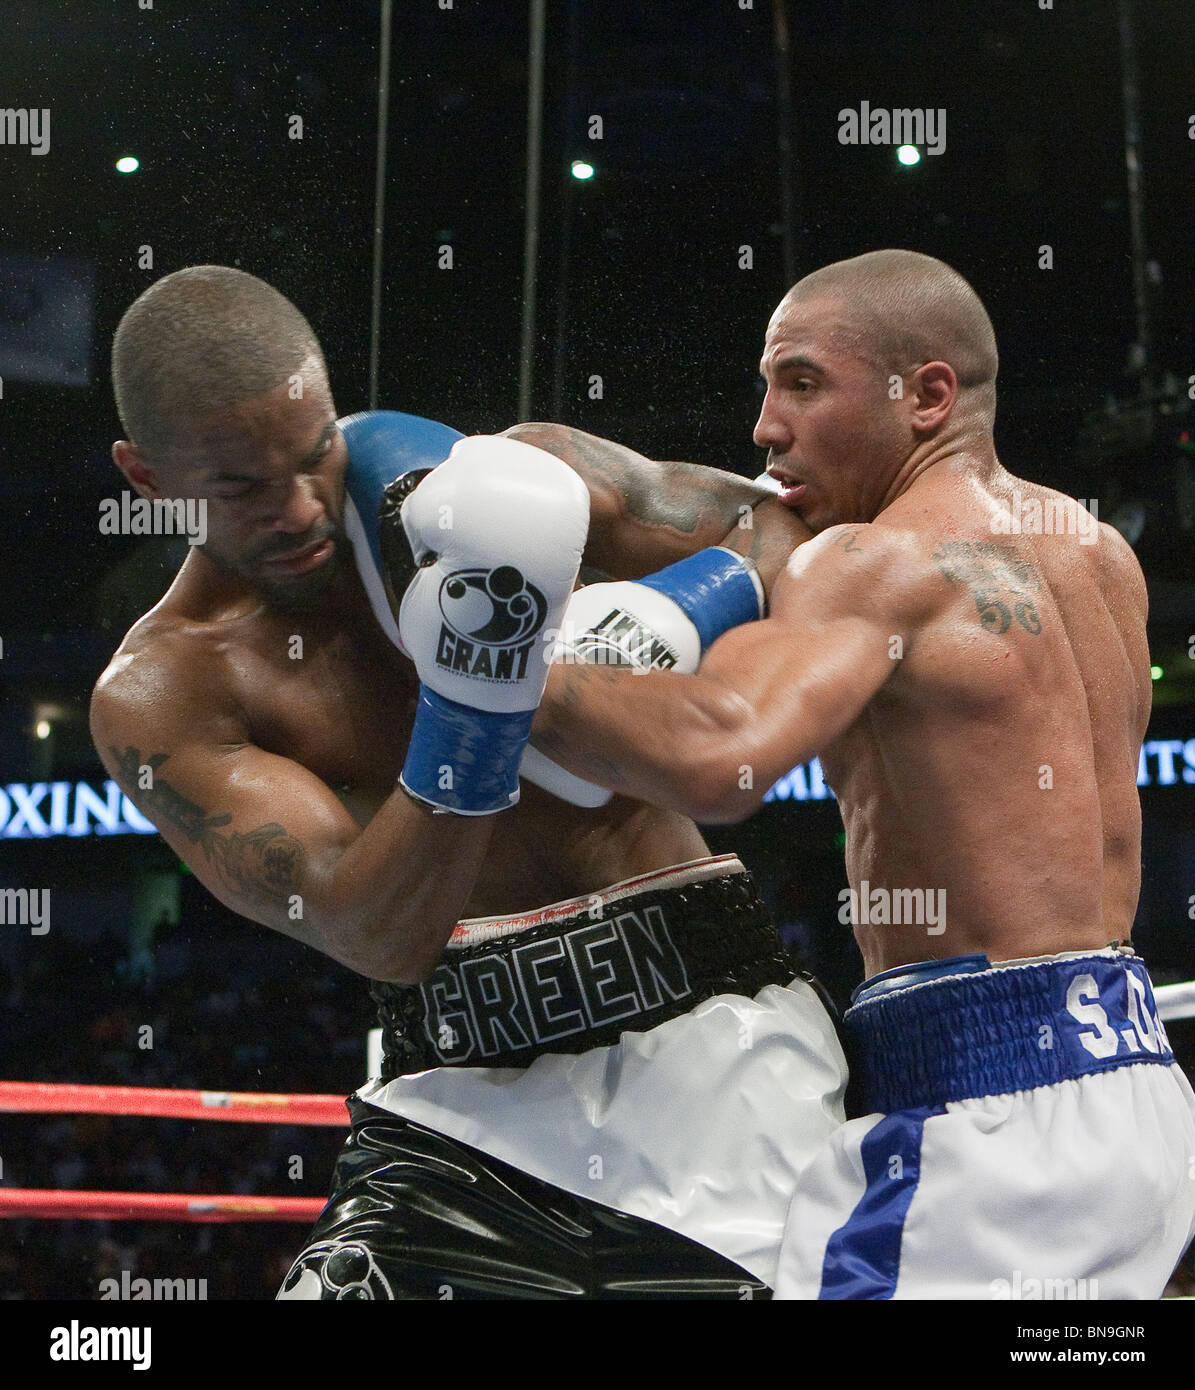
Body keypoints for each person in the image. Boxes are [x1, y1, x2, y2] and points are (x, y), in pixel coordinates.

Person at [90, 265, 845, 1300]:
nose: (300, 505)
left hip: (709, 1043)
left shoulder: (513, 481)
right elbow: (376, 931)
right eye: (243, 488)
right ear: (146, 477)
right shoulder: (167, 691)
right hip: (454, 1108)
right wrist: (481, 698)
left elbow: (779, 533)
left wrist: (666, 616)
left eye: (315, 455)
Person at [529, 248, 1195, 1299]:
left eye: (800, 382)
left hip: (985, 1126)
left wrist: (508, 672)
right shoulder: (1098, 554)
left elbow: (721, 757)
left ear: (925, 395)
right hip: (1139, 1091)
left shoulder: (870, 565)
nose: (764, 423)